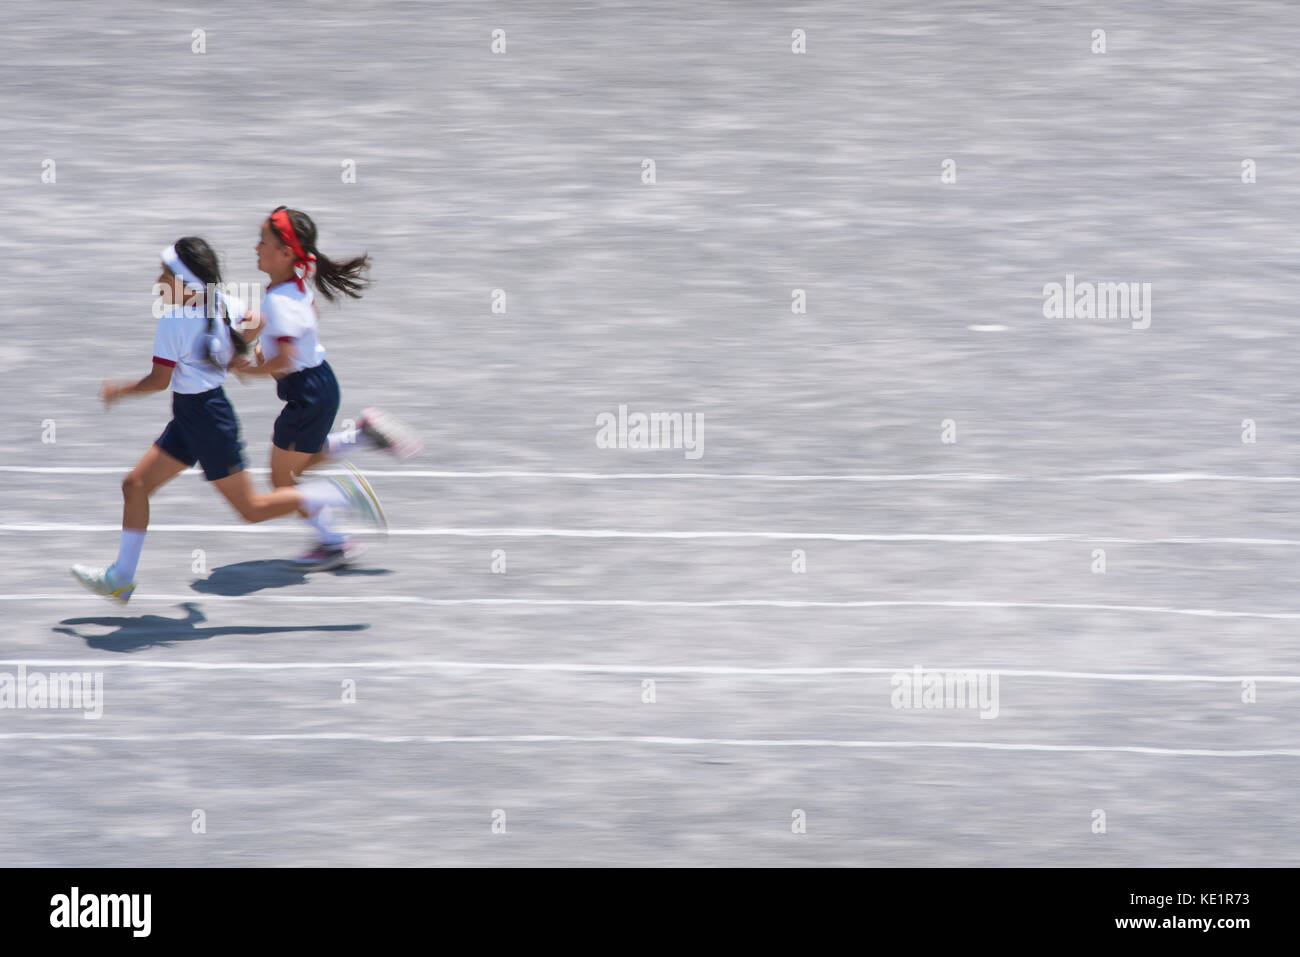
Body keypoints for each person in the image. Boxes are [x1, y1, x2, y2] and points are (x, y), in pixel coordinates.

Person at [71, 237, 385, 604]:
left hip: (205, 420)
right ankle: (120, 579)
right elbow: (255, 320)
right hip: (193, 417)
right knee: (135, 485)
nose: (158, 280)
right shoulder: (222, 303)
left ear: (187, 285)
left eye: (164, 274)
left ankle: (337, 494)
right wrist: (234, 351)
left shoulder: (174, 322)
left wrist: (118, 391)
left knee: (251, 509)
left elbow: (158, 381)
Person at [239, 206, 419, 571]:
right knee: (298, 468)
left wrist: (250, 368)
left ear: (287, 253)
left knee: (282, 482)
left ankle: (337, 519)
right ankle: (361, 438)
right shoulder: (293, 285)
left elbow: (285, 361)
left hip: (305, 393)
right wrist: (265, 348)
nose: (255, 248)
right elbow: (305, 329)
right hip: (320, 385)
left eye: (263, 242)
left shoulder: (278, 299)